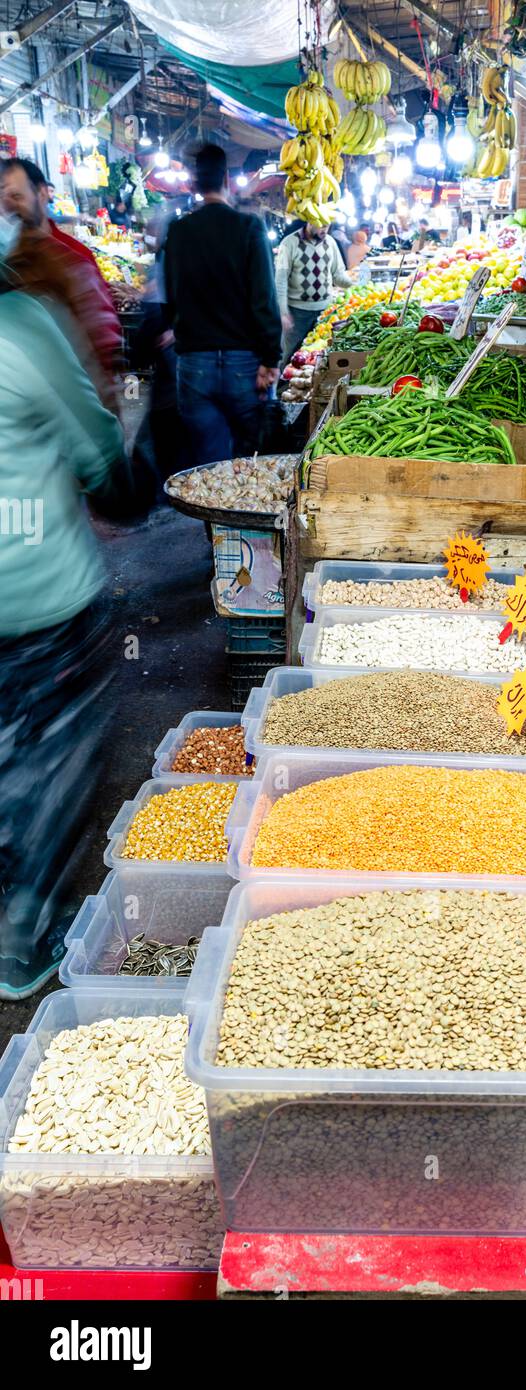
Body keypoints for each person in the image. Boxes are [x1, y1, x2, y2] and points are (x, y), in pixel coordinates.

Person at [0, 223, 149, 998]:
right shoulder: (21, 330)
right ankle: (24, 942)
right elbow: (96, 448)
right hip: (33, 602)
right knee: (42, 768)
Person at [161, 143, 283, 465]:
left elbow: (169, 298)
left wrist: (179, 326)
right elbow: (264, 298)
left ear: (194, 184)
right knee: (250, 465)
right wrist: (271, 358)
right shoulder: (249, 227)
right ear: (227, 180)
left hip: (194, 365)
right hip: (244, 364)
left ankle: (214, 517)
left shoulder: (178, 231)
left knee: (209, 467)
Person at [0, 157, 121, 405]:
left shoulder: (75, 259)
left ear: (42, 194)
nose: (8, 206)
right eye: (3, 197)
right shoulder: (7, 262)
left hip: (78, 401)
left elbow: (105, 341)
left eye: (17, 196)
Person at [275, 219, 354, 360]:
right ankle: (280, 382)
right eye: (321, 226)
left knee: (321, 358)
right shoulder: (289, 243)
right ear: (310, 222)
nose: (325, 230)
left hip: (326, 313)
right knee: (289, 357)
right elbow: (280, 282)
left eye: (327, 226)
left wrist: (357, 283)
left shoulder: (330, 243)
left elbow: (338, 276)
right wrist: (283, 312)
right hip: (297, 314)